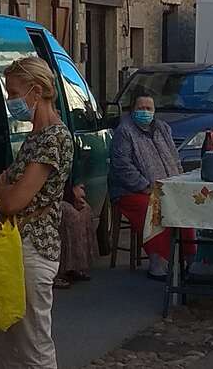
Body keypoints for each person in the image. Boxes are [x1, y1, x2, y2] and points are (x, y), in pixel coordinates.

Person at [0, 56, 73, 369]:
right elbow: (3, 189)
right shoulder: (35, 137)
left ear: (35, 92)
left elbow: (11, 200)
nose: (10, 100)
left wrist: (1, 191)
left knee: (32, 346)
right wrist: (3, 190)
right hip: (16, 247)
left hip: (34, 248)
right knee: (6, 340)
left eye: (13, 93)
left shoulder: (52, 139)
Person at [109, 95, 195, 280]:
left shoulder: (163, 129)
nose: (145, 112)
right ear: (132, 109)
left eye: (149, 108)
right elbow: (122, 166)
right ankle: (159, 262)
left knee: (186, 205)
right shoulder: (124, 131)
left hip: (165, 187)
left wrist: (179, 182)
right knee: (151, 208)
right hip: (131, 190)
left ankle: (190, 258)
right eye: (141, 107)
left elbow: (174, 158)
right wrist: (144, 186)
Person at [54, 180, 98, 289]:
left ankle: (75, 266)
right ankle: (58, 271)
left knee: (86, 210)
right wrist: (72, 195)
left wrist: (74, 196)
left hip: (65, 193)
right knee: (69, 214)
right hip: (51, 198)